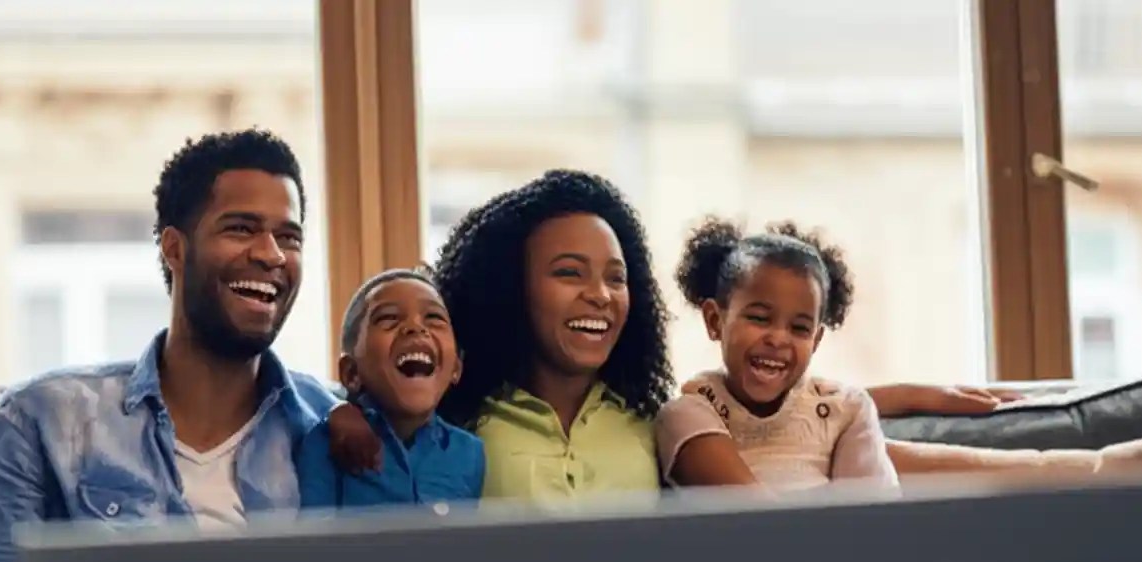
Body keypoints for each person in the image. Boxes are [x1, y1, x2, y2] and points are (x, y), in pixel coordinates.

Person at [0, 129, 369, 562]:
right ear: (174, 248)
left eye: (289, 236)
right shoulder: (43, 416)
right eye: (241, 228)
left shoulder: (334, 428)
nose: (271, 254)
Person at [430, 169, 674, 505]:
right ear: (511, 287)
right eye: (569, 273)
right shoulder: (455, 427)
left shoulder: (659, 427)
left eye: (616, 278)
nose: (601, 295)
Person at [655, 217, 898, 492]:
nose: (778, 339)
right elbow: (758, 524)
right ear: (714, 321)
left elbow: (869, 520)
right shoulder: (686, 414)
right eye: (759, 318)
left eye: (799, 328)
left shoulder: (847, 409)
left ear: (816, 341)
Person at [298, 268, 484, 509]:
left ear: (455, 369)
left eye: (434, 318)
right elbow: (312, 542)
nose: (416, 328)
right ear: (351, 373)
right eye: (388, 318)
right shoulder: (326, 443)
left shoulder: (470, 453)